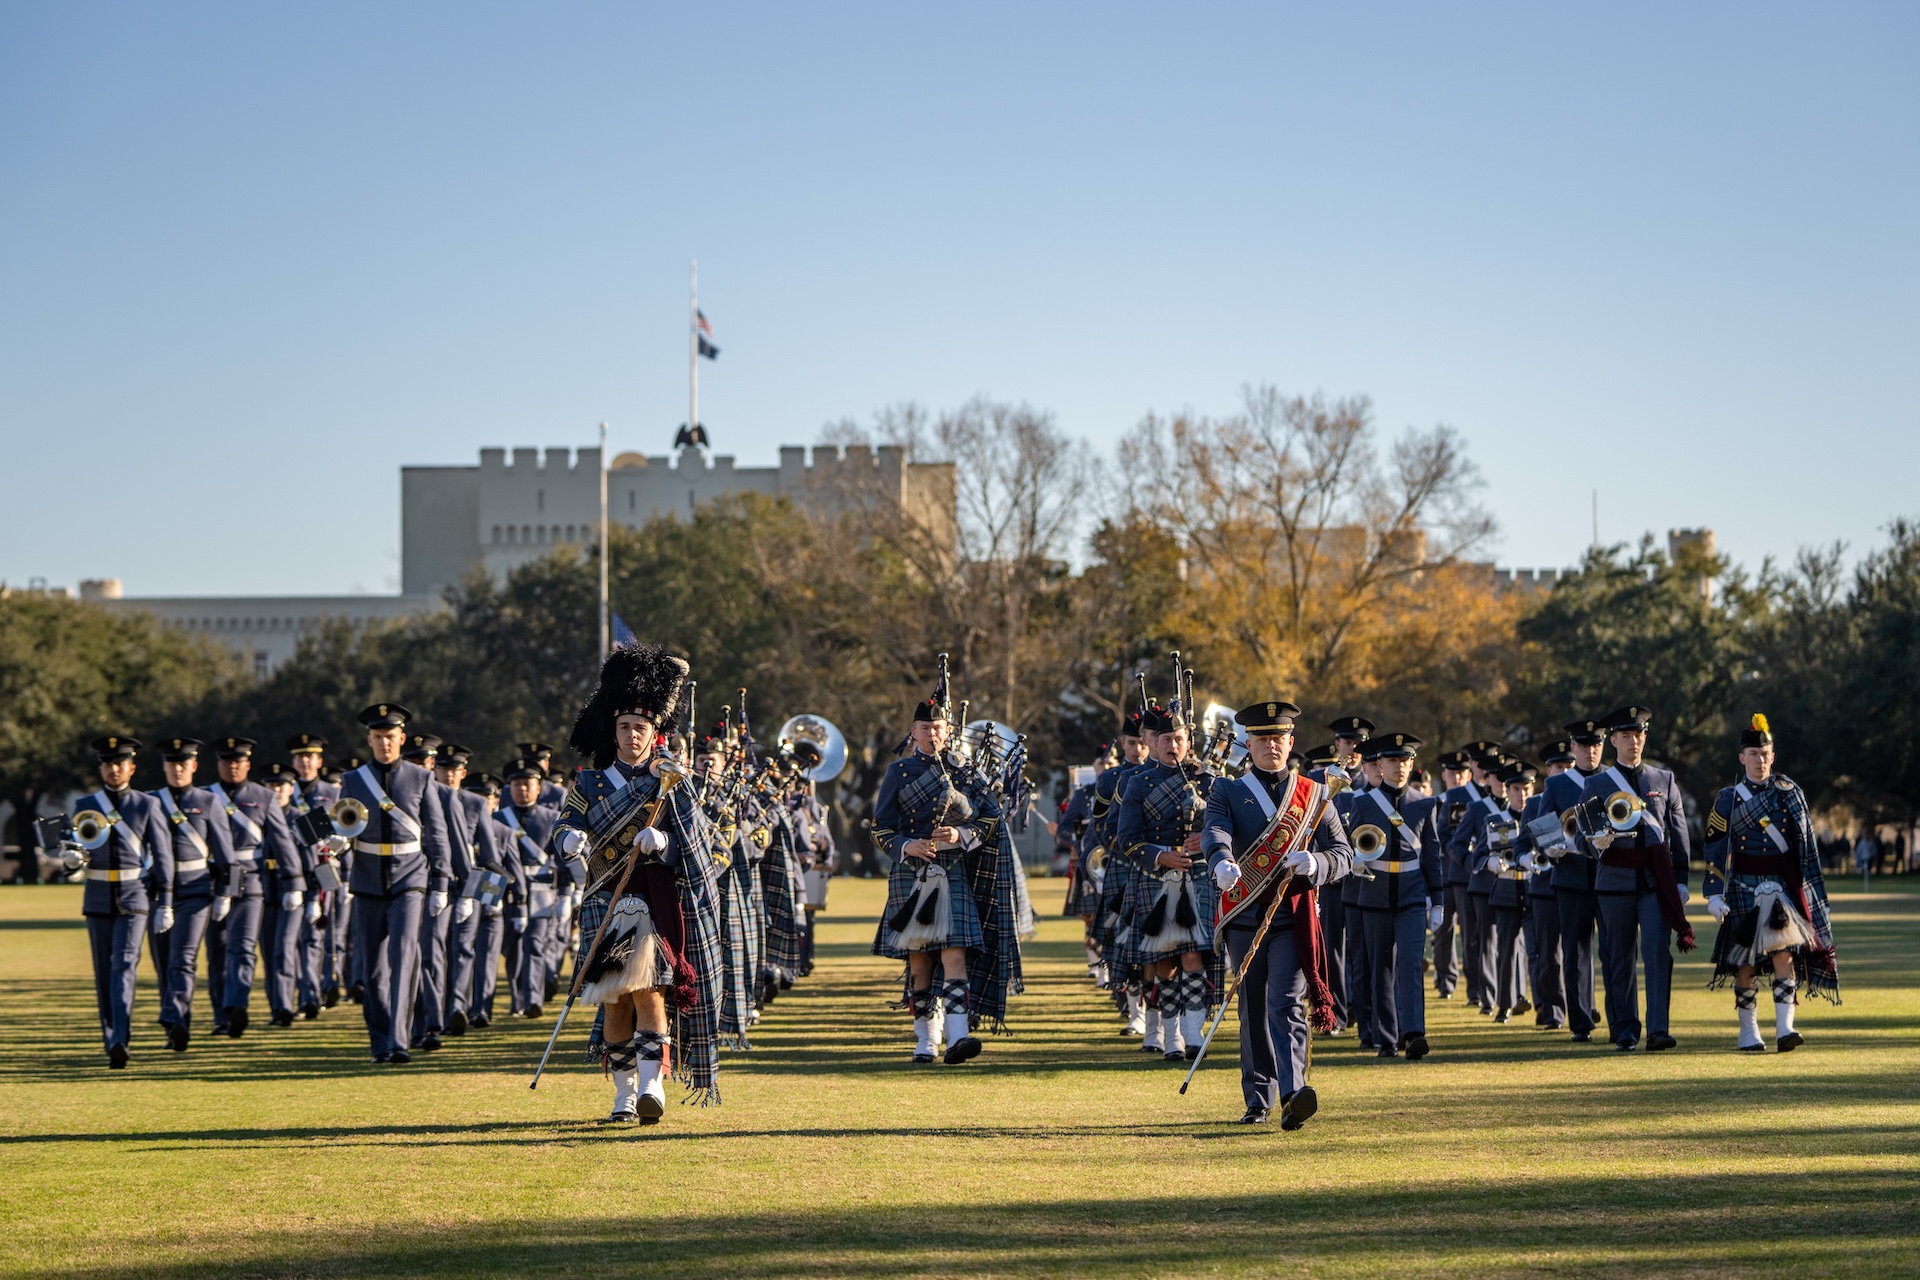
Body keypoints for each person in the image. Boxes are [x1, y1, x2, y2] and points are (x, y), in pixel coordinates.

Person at [556, 643, 725, 1123]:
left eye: (641, 728)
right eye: (625, 727)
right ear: (614, 731)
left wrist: (664, 844)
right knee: (614, 1000)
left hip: (651, 899)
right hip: (604, 898)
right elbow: (566, 824)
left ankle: (652, 1086)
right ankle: (623, 1096)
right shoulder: (589, 784)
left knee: (649, 990)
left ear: (655, 734)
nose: (632, 735)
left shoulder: (672, 779)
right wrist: (569, 838)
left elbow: (697, 844)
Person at [1202, 701, 1355, 1130]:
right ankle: (1258, 1098)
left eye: (1279, 738)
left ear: (1291, 742)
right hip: (1245, 911)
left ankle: (1292, 1093)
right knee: (1252, 1006)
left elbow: (1343, 854)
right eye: (1262, 738)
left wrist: (1316, 864)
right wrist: (1221, 861)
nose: (1272, 745)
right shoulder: (1227, 790)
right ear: (1247, 744)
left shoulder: (1317, 793)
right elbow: (1216, 829)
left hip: (1293, 916)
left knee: (1284, 1001)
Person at [871, 694, 1000, 1065]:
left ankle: (958, 1038)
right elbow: (880, 829)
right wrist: (907, 845)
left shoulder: (966, 772)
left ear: (949, 731)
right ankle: (926, 1039)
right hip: (910, 874)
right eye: (925, 728)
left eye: (938, 728)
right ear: (913, 733)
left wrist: (961, 835)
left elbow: (990, 819)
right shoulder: (898, 773)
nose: (932, 734)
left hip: (953, 871)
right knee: (920, 960)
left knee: (954, 953)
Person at [1702, 714, 1840, 1051]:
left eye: (1765, 754)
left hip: (1779, 886)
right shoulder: (1727, 798)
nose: (1759, 760)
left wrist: (1805, 891)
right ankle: (1748, 1032)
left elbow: (1805, 849)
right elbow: (1715, 848)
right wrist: (1713, 894)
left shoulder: (1788, 793)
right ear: (1742, 758)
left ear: (1773, 756)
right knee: (1745, 962)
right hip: (1743, 884)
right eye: (1753, 754)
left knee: (1783, 955)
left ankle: (1784, 1029)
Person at [338, 704, 452, 1064]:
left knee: (403, 959)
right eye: (377, 737)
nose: (384, 743)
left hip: (410, 878)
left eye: (390, 737)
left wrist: (442, 880)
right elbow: (344, 826)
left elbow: (436, 832)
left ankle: (399, 1041)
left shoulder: (421, 779)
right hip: (367, 879)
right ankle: (381, 1040)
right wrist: (337, 844)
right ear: (369, 740)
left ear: (401, 738)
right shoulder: (354, 780)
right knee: (371, 968)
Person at [1579, 705, 1693, 1052]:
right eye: (1626, 736)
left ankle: (1659, 1029)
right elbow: (1580, 835)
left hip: (1654, 882)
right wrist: (1594, 843)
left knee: (1658, 952)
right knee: (1618, 957)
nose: (1634, 742)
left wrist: (1682, 879)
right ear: (1613, 740)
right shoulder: (1596, 783)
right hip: (1614, 880)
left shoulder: (1663, 779)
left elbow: (1679, 832)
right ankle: (1625, 1029)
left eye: (1639, 734)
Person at [1114, 705, 1220, 1063]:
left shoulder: (1208, 781)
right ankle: (1170, 1035)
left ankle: (1193, 1032)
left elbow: (1226, 828)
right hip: (1156, 879)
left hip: (1198, 877)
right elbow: (1127, 837)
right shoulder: (1138, 783)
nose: (1173, 745)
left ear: (1188, 742)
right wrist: (1161, 856)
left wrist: (1205, 838)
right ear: (1153, 743)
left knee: (1193, 954)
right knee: (1165, 961)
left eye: (1179, 739)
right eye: (1166, 740)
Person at [75, 736, 175, 1068]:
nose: (114, 769)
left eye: (120, 764)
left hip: (134, 898)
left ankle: (120, 1038)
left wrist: (166, 902)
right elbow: (74, 852)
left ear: (132, 768)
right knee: (103, 972)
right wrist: (71, 862)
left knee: (124, 967)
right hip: (98, 897)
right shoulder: (84, 804)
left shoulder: (147, 805)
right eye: (108, 764)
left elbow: (162, 856)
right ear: (101, 768)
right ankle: (111, 1038)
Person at [1348, 733, 1443, 1060]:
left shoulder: (1425, 803)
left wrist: (1438, 901)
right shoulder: (1362, 802)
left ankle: (1414, 1032)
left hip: (1413, 895)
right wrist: (1354, 862)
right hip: (1374, 894)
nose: (1398, 767)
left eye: (1404, 761)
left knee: (1410, 965)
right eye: (1392, 761)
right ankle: (1386, 1037)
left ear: (1412, 764)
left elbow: (1431, 855)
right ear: (1380, 764)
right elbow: (1350, 845)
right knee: (1380, 968)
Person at [208, 736, 304, 1037]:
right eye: (226, 761)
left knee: (243, 947)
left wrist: (294, 882)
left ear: (247, 764)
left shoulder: (263, 797)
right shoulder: (205, 796)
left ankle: (236, 1006)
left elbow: (282, 840)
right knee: (217, 951)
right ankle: (221, 1015)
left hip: (251, 879)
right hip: (213, 880)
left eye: (237, 761)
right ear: (219, 764)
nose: (232, 767)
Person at [148, 736, 232, 1051]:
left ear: (194, 766)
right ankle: (173, 1023)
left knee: (183, 958)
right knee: (162, 961)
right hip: (159, 892)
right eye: (171, 764)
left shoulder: (209, 801)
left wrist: (225, 892)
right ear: (165, 767)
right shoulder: (151, 801)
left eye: (182, 763)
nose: (177, 769)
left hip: (197, 891)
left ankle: (177, 1019)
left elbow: (226, 855)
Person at [1090, 708, 1153, 1035]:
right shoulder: (1110, 780)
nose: (1139, 749)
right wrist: (1128, 847)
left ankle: (1162, 1019)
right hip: (1123, 867)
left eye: (1144, 742)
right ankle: (1135, 1015)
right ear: (1123, 745)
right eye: (1133, 743)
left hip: (1160, 870)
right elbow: (1100, 826)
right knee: (1127, 945)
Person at [433, 743, 503, 1038]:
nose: (449, 776)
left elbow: (490, 858)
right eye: (444, 769)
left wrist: (490, 898)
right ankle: (432, 1014)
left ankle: (456, 1010)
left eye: (455, 770)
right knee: (435, 954)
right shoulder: (428, 799)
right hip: (433, 886)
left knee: (462, 951)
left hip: (468, 890)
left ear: (463, 773)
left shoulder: (475, 804)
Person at [1546, 720, 1607, 1043]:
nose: (1590, 750)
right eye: (1583, 745)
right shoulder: (1556, 786)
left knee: (1613, 950)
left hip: (1610, 875)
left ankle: (1620, 1019)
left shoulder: (1613, 779)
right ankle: (1581, 1021)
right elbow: (1542, 830)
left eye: (1595, 744)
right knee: (1575, 953)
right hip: (1570, 877)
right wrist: (1556, 845)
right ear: (1572, 748)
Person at [496, 756, 570, 1019]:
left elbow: (563, 859)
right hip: (508, 892)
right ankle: (517, 1000)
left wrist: (565, 893)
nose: (522, 789)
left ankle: (534, 1000)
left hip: (541, 890)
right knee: (512, 947)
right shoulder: (499, 819)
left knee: (536, 944)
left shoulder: (552, 818)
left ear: (539, 787)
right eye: (516, 784)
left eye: (528, 784)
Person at [1515, 738, 1572, 1032]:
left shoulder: (1582, 796)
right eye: (1558, 766)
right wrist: (1529, 860)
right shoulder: (1535, 803)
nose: (1563, 771)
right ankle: (1551, 1009)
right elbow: (1520, 846)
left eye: (1568, 766)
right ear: (1547, 771)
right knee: (1548, 954)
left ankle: (1581, 1007)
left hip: (1576, 885)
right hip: (1545, 887)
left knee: (1577, 952)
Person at [1474, 760, 1537, 1024]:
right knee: (1506, 950)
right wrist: (1488, 862)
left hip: (1535, 890)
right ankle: (1505, 1004)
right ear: (1506, 791)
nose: (1521, 795)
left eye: (1526, 789)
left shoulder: (1540, 817)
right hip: (1506, 888)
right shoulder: (1495, 820)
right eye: (1515, 789)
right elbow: (1478, 854)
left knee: (1538, 950)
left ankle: (1545, 1007)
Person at [285, 733, 343, 1017]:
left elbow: (346, 832)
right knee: (293, 939)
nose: (305, 762)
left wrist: (340, 845)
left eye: (310, 757)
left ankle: (312, 994)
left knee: (315, 936)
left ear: (319, 761)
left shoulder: (332, 794)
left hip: (323, 873)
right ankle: (306, 991)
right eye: (299, 757)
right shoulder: (285, 792)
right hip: (293, 872)